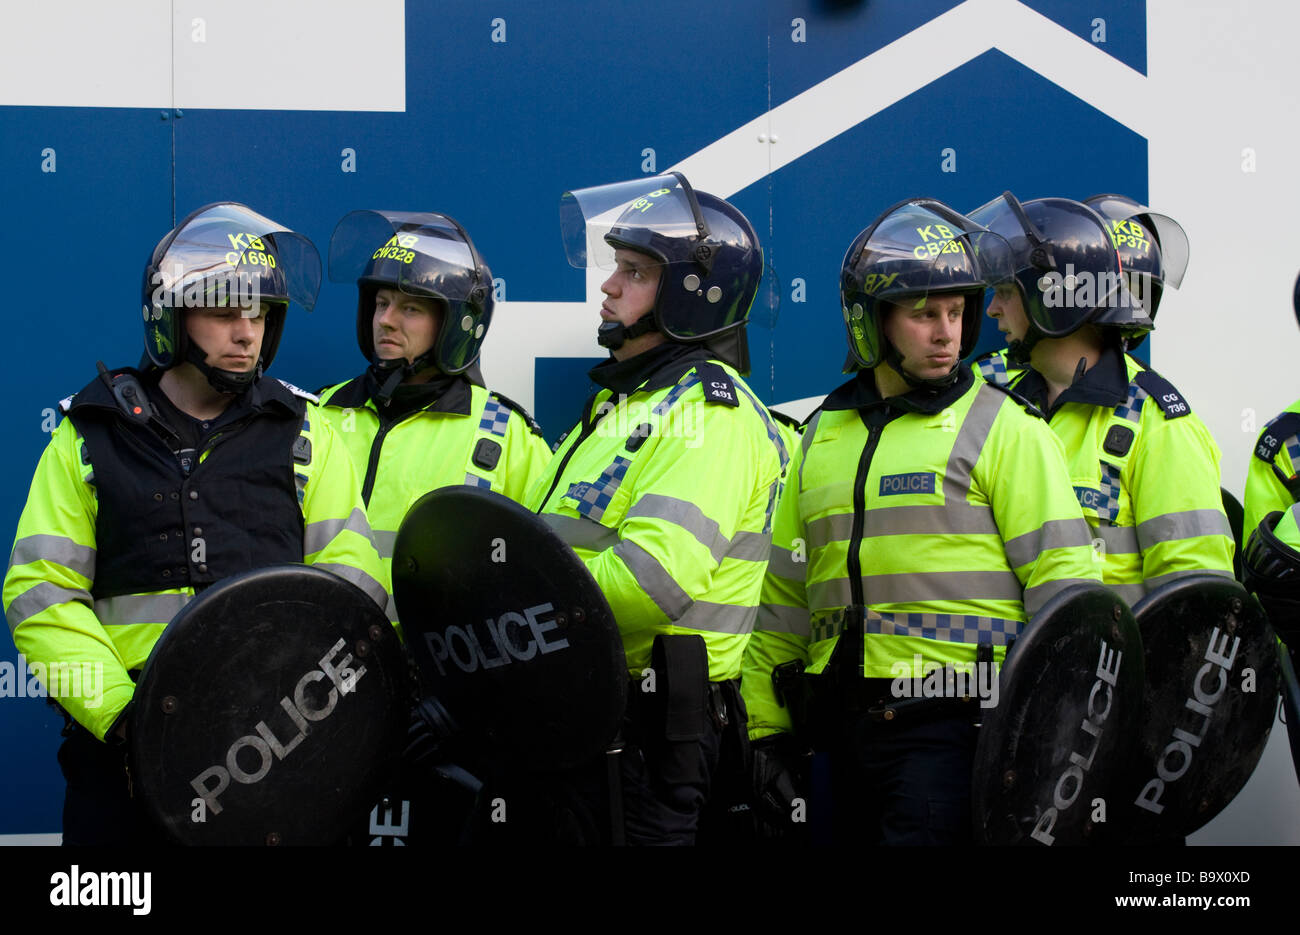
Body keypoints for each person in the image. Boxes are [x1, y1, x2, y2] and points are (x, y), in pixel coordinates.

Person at [2, 203, 386, 845]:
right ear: (170, 318)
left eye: (259, 314)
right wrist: (126, 719)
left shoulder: (307, 432)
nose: (247, 334)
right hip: (124, 763)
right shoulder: (90, 434)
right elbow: (42, 596)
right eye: (224, 313)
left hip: (275, 753)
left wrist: (296, 711)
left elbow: (353, 589)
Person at [740, 198, 1100, 845]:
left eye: (957, 312)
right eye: (924, 314)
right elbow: (784, 602)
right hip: (838, 734)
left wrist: (1051, 736)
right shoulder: (822, 434)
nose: (947, 335)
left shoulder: (1006, 429)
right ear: (872, 321)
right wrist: (766, 734)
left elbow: (1065, 591)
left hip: (956, 733)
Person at [522, 172, 788, 844]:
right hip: (589, 717)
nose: (609, 287)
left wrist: (518, 615)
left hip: (650, 733)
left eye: (634, 272)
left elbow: (651, 582)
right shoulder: (623, 403)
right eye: (616, 266)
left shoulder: (710, 414)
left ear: (693, 296)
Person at [972, 193, 1234, 604]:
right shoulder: (987, 396)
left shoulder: (1158, 424)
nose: (992, 310)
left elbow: (1197, 604)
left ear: (1054, 299)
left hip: (1112, 646)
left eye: (1006, 290)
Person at [318, 211, 550, 621]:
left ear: (455, 325)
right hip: (319, 645)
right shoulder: (321, 413)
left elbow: (541, 574)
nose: (385, 321)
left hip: (440, 656)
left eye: (410, 309)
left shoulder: (504, 434)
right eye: (381, 303)